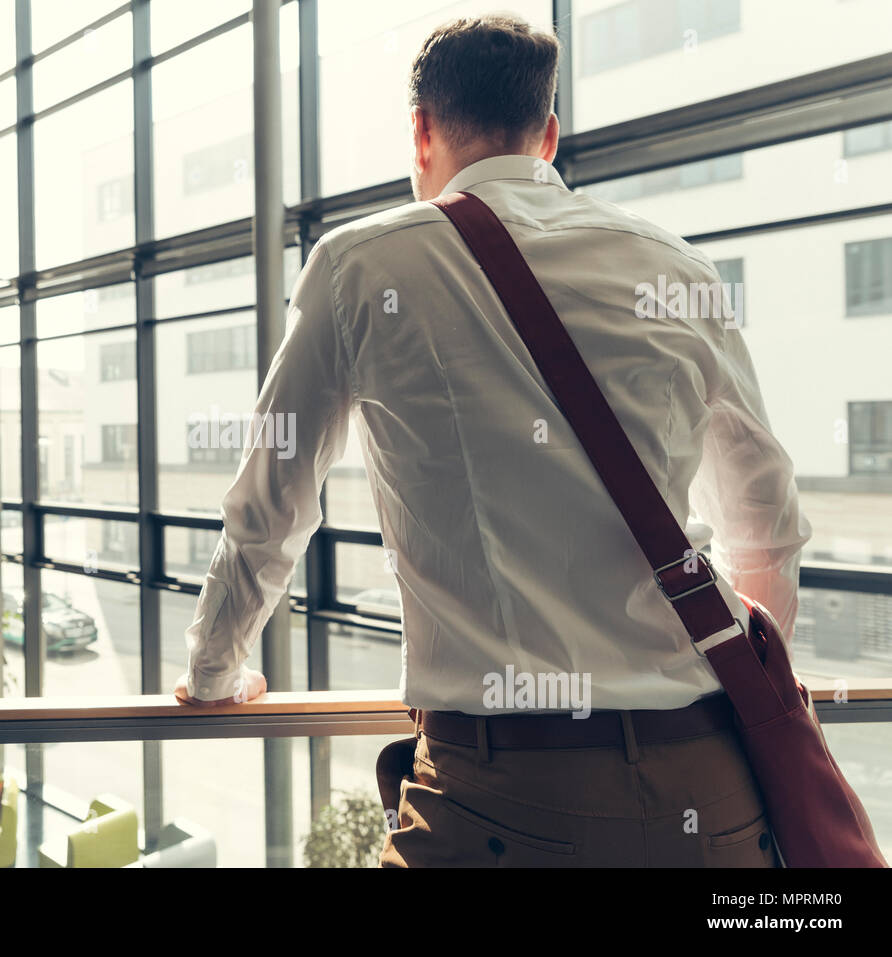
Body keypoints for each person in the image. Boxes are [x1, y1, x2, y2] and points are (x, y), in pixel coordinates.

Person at [173, 14, 810, 867]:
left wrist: (216, 670)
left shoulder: (361, 266)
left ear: (420, 131)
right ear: (547, 135)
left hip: (504, 799)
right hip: (712, 788)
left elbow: (272, 505)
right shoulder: (676, 267)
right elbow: (768, 519)